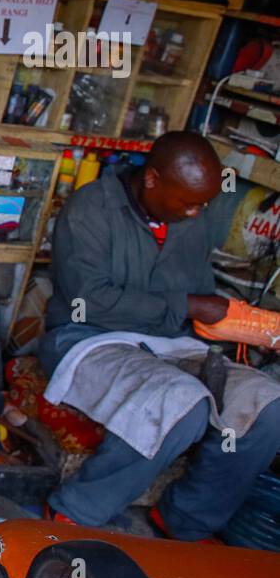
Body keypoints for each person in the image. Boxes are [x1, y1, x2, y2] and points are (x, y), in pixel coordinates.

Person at [38, 131, 280, 541]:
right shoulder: (91, 210)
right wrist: (186, 304)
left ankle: (188, 518)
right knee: (183, 406)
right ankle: (77, 509)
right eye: (188, 203)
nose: (195, 213)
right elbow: (89, 299)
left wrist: (229, 320)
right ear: (151, 180)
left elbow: (197, 290)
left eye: (202, 204)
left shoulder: (193, 216)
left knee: (268, 408)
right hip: (90, 337)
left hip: (174, 343)